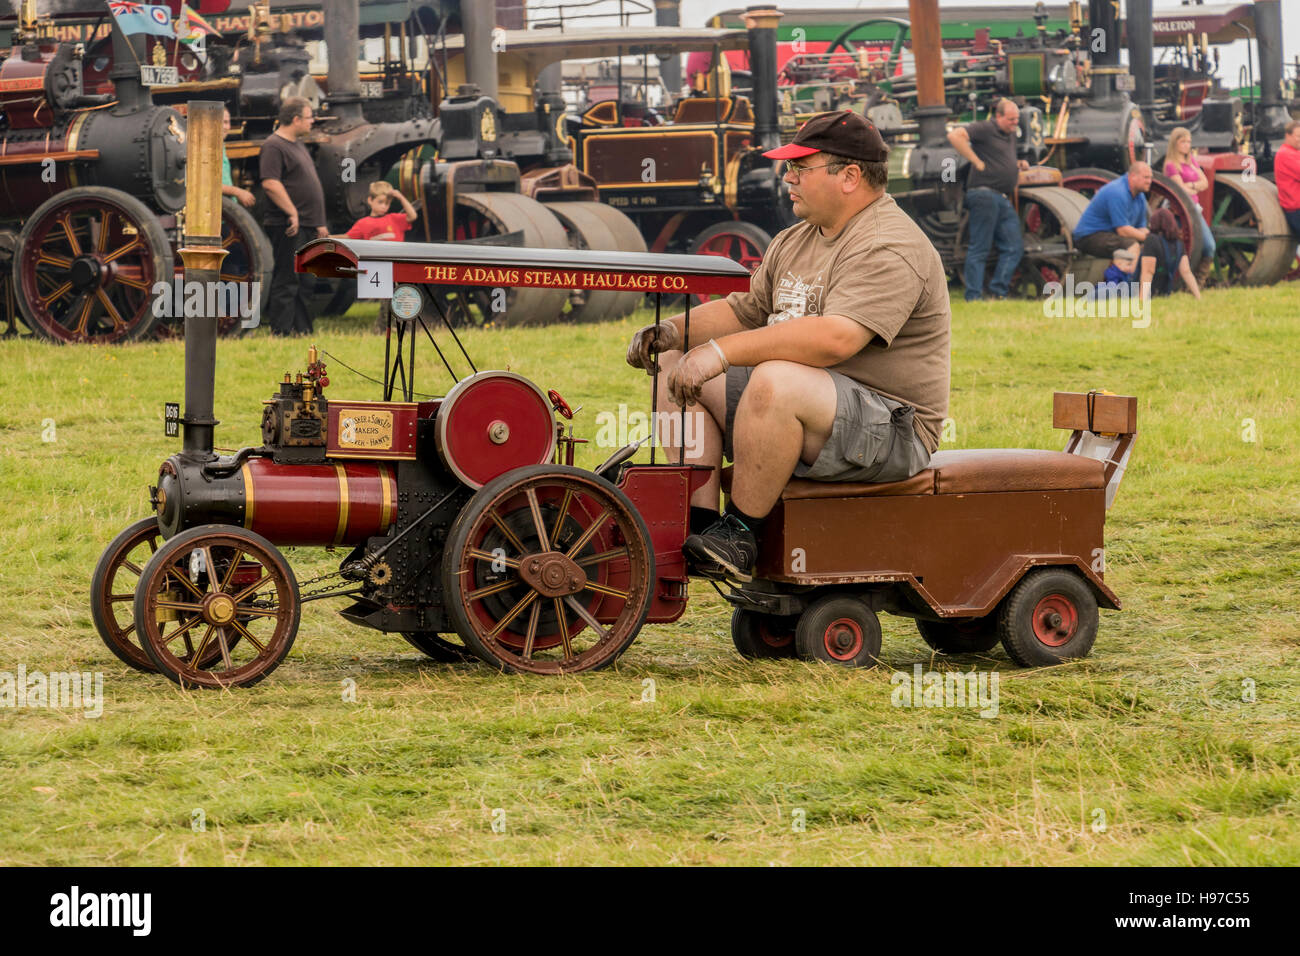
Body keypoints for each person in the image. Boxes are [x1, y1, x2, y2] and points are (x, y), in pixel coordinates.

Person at [625, 110, 950, 581]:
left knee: (777, 379)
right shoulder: (797, 238)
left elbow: (835, 339)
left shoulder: (889, 244)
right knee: (677, 365)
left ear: (850, 176)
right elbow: (746, 311)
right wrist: (673, 332)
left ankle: (739, 535)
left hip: (893, 430)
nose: (788, 177)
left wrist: (719, 354)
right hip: (814, 408)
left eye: (801, 168)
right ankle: (698, 527)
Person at [947, 98, 1030, 300]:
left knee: (1013, 247)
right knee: (979, 248)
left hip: (1001, 197)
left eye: (1017, 119)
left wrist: (1017, 163)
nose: (1014, 123)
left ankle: (997, 292)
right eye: (1011, 119)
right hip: (983, 195)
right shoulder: (984, 128)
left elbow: (1001, 158)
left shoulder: (1009, 134)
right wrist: (975, 160)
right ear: (998, 116)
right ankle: (973, 296)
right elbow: (955, 136)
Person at [259, 96, 327, 336]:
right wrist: (292, 212)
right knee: (288, 279)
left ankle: (302, 330)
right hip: (287, 224)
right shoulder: (273, 146)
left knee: (307, 281)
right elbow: (270, 183)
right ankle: (281, 331)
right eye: (310, 117)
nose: (313, 121)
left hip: (308, 224)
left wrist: (319, 223)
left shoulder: (298, 145)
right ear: (296, 119)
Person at [1163, 127, 1216, 286]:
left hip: (1194, 209)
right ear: (1175, 143)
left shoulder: (1191, 161)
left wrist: (1191, 185)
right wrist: (1195, 186)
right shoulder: (1171, 165)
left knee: (1209, 246)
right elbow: (1180, 189)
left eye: (1189, 142)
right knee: (1189, 248)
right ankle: (1185, 282)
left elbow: (1205, 183)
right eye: (1183, 142)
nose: (1187, 145)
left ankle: (1199, 281)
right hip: (1180, 211)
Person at [1072, 162, 1153, 264]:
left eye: (1150, 178)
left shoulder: (1140, 196)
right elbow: (1123, 230)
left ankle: (1144, 278)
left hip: (1110, 234)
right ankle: (1127, 279)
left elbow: (1140, 228)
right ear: (1132, 176)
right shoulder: (1117, 192)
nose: (1149, 181)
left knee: (1148, 246)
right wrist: (1149, 238)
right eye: (1146, 177)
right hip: (1089, 236)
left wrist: (1151, 238)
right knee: (1132, 246)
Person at [1138, 206, 1201, 301]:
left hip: (1147, 292)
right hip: (1164, 292)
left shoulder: (1151, 240)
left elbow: (1148, 272)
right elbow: (1186, 272)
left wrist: (1142, 299)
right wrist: (1198, 297)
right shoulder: (1179, 244)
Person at [343, 182, 418, 241]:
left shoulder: (394, 219)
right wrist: (331, 237)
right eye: (380, 202)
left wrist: (401, 197)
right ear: (370, 200)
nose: (384, 206)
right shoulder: (362, 223)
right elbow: (348, 237)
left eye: (387, 203)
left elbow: (413, 216)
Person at [221, 108, 256, 209]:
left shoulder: (220, 145)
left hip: (226, 211)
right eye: (222, 122)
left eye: (227, 122)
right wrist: (237, 191)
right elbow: (206, 184)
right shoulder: (205, 148)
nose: (226, 127)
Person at [1275, 119, 1300, 240]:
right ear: (1287, 135)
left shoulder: (1295, 153)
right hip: (1295, 209)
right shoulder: (1286, 154)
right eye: (1298, 136)